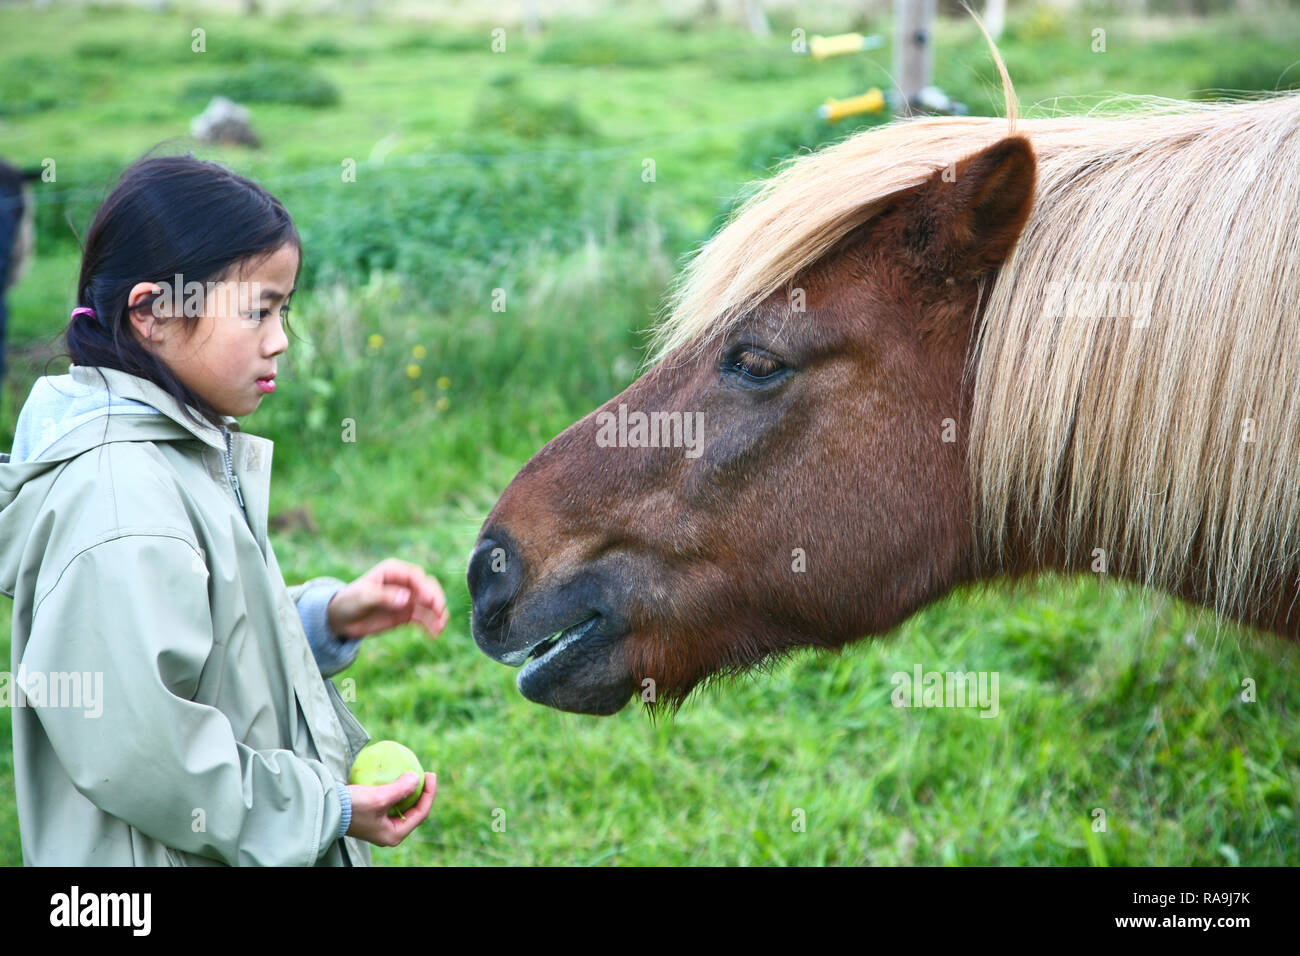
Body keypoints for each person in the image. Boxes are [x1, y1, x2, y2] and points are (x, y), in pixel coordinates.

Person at [0, 151, 449, 865]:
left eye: (285, 309)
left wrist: (325, 617)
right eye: (258, 311)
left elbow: (199, 638)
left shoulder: (178, 448)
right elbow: (143, 748)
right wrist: (321, 808)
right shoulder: (121, 501)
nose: (280, 341)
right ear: (153, 313)